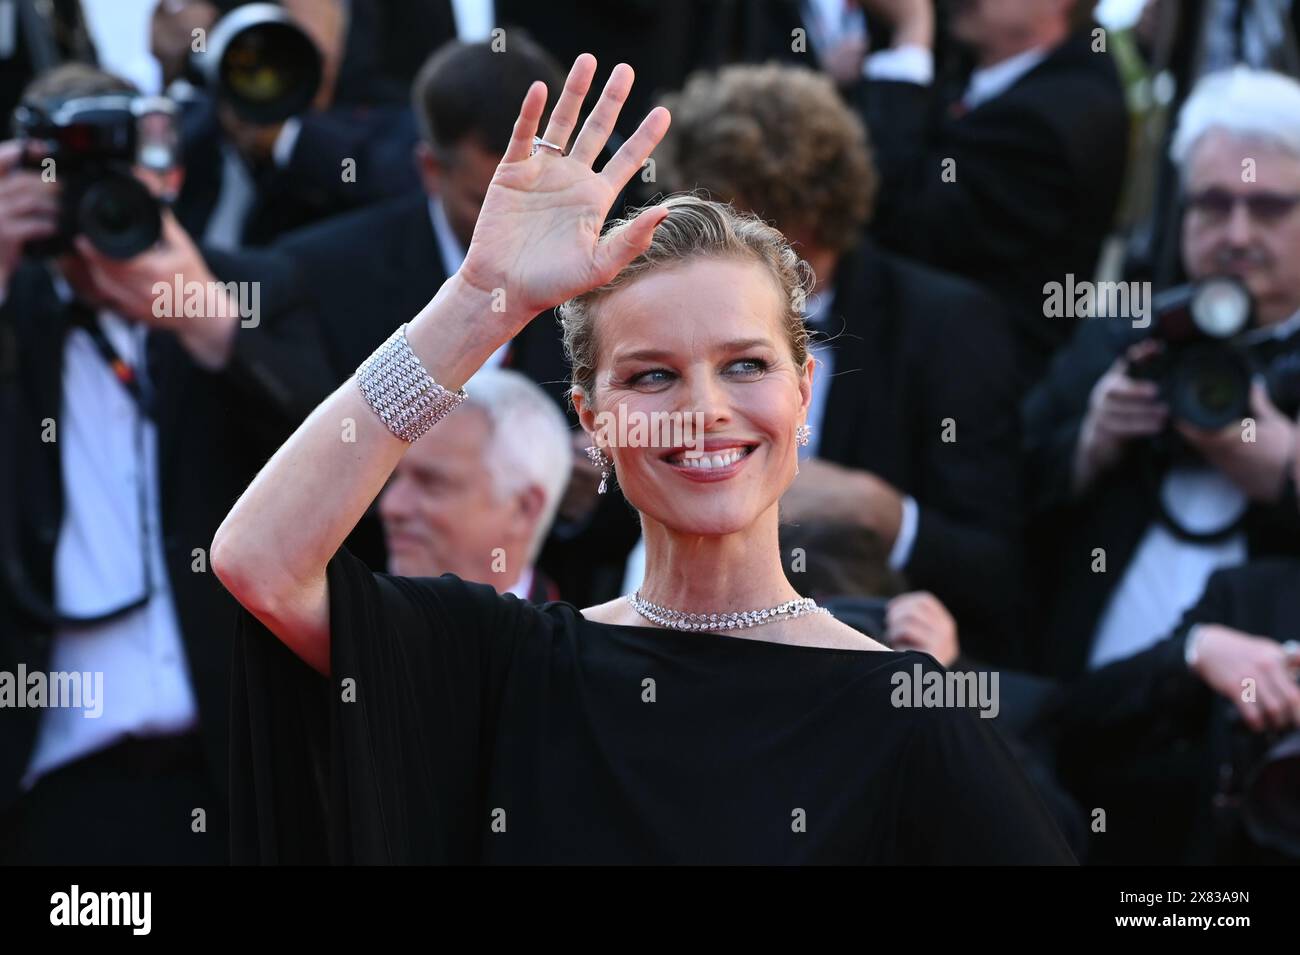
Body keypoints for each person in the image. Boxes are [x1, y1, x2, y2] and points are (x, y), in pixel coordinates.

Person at [212, 53, 1073, 865]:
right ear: (593, 419)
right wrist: (478, 306)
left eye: (745, 364)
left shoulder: (904, 713)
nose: (704, 410)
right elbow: (262, 560)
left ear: (803, 392)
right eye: (652, 375)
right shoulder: (513, 670)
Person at [0, 64, 333, 863]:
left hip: (238, 779)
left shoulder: (253, 289)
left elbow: (352, 469)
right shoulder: (13, 316)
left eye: (124, 178)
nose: (96, 207)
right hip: (51, 788)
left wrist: (212, 326)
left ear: (175, 175)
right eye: (72, 181)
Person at [653, 62, 1024, 661]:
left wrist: (883, 513)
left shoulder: (946, 327)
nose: (712, 249)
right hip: (686, 646)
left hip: (871, 663)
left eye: (737, 224)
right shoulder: (671, 315)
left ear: (809, 218)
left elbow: (996, 569)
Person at [1024, 67, 1300, 681]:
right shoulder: (1126, 334)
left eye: (1269, 208)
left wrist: (1287, 469)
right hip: (1093, 714)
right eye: (1211, 203)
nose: (1236, 234)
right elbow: (1004, 489)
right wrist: (1090, 444)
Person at [854, 0, 1130, 383]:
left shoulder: (1058, 117)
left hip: (961, 398)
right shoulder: (994, 66)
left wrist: (909, 39)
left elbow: (901, 216)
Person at [378, 367, 570, 602]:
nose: (391, 506)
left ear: (523, 509)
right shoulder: (342, 621)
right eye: (394, 478)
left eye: (432, 483)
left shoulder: (572, 637)